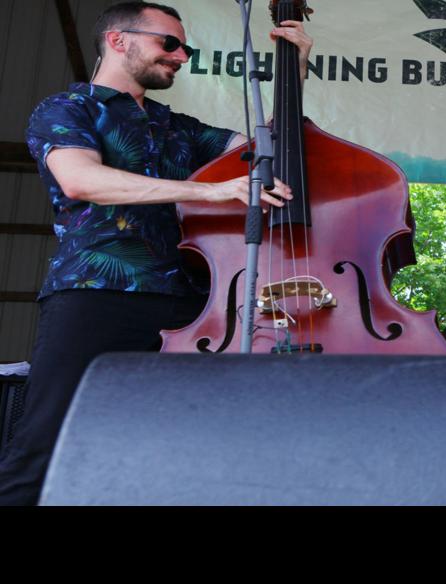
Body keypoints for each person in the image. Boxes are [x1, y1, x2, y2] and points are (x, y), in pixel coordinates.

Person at [0, 2, 311, 506]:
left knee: (185, 449)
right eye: (170, 43)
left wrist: (293, 71)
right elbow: (81, 180)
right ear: (119, 40)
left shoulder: (179, 127)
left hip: (190, 304)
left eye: (185, 47)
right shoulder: (67, 108)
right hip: (97, 296)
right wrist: (209, 192)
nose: (182, 55)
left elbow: (269, 151)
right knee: (46, 445)